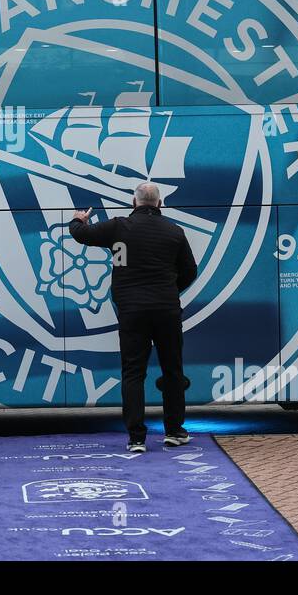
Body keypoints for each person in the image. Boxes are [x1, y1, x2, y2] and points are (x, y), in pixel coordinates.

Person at [69, 182, 197, 453]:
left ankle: (136, 437)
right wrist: (170, 290)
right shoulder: (175, 232)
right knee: (172, 371)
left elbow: (81, 235)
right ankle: (174, 431)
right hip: (167, 310)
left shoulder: (118, 227)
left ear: (133, 203)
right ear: (160, 204)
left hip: (132, 312)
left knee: (133, 373)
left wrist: (78, 220)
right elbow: (190, 270)